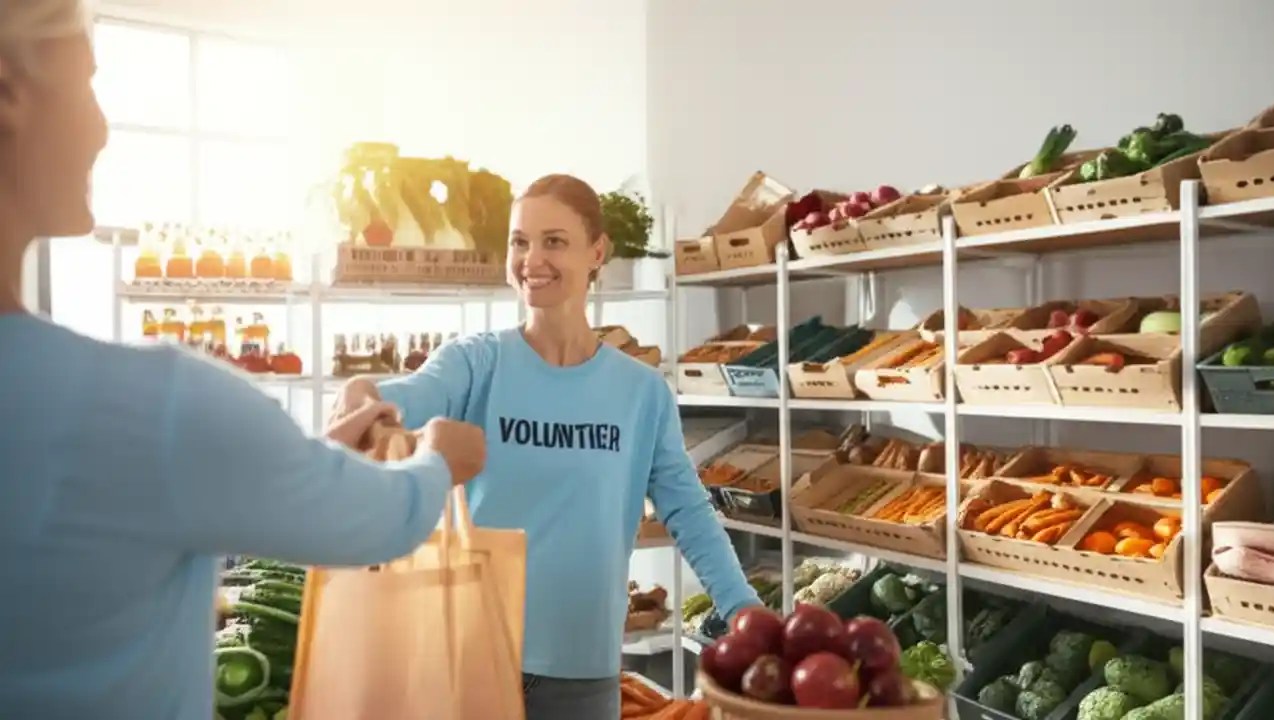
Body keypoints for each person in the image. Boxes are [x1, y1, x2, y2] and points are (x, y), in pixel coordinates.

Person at [0, 2, 487, 717]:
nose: (101, 127)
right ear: (10, 92)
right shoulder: (159, 406)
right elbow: (381, 519)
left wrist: (310, 456)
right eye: (88, 84)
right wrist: (441, 459)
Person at [337, 173, 762, 719]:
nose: (532, 259)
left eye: (554, 241)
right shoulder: (476, 363)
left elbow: (688, 511)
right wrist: (363, 393)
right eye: (520, 241)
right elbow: (411, 396)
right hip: (472, 656)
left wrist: (744, 610)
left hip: (582, 668)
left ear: (597, 252)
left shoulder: (641, 393)